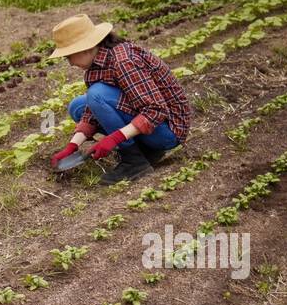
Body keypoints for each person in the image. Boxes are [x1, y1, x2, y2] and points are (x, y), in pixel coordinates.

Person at [48, 14, 191, 184]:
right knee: (78, 106)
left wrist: (114, 139)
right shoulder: (96, 66)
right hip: (152, 126)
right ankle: (144, 151)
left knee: (96, 95)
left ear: (85, 48)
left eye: (69, 56)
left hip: (168, 132)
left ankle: (134, 161)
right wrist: (73, 145)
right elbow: (91, 112)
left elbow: (156, 110)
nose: (70, 63)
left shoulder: (123, 61)